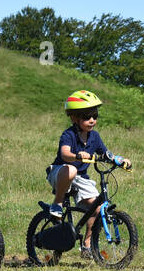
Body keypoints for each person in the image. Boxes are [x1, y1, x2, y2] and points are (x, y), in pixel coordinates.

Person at [46, 90, 130, 258]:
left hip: (81, 179)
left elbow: (106, 154)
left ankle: (87, 246)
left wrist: (119, 160)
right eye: (86, 116)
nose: (92, 120)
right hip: (60, 172)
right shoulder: (69, 134)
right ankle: (57, 204)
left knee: (97, 209)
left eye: (95, 115)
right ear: (74, 118)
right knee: (72, 169)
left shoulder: (94, 137)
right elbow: (64, 154)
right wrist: (76, 156)